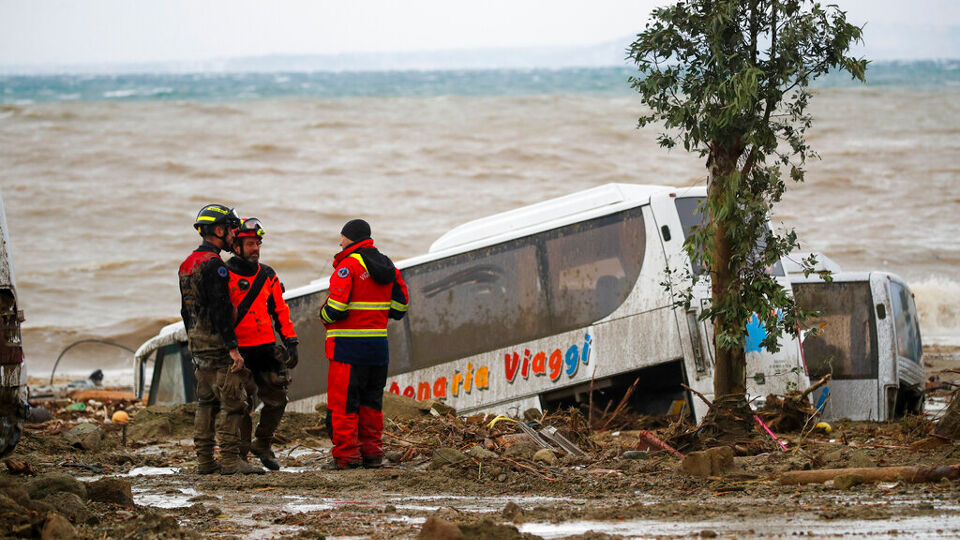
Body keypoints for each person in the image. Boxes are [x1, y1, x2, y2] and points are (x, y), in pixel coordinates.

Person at [178, 204, 264, 475]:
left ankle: (204, 461)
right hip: (218, 343)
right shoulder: (215, 266)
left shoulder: (187, 264)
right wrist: (233, 349)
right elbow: (222, 310)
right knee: (232, 401)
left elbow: (185, 310)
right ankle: (229, 460)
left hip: (196, 341)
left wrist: (193, 336)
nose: (234, 235)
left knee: (205, 402)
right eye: (230, 229)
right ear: (218, 230)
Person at [318, 219, 408, 469]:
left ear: (353, 238)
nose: (340, 242)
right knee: (371, 403)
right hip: (378, 348)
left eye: (343, 237)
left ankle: (347, 457)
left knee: (344, 404)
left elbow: (335, 308)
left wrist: (322, 315)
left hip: (347, 349)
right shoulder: (388, 265)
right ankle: (372, 454)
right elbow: (401, 307)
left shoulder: (348, 266)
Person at [225, 217, 299, 471]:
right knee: (241, 404)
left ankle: (263, 443)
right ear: (236, 246)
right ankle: (242, 455)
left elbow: (280, 310)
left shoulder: (268, 274)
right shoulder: (223, 275)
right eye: (250, 244)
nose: (256, 248)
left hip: (267, 347)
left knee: (278, 398)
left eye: (258, 243)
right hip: (239, 351)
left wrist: (291, 341)